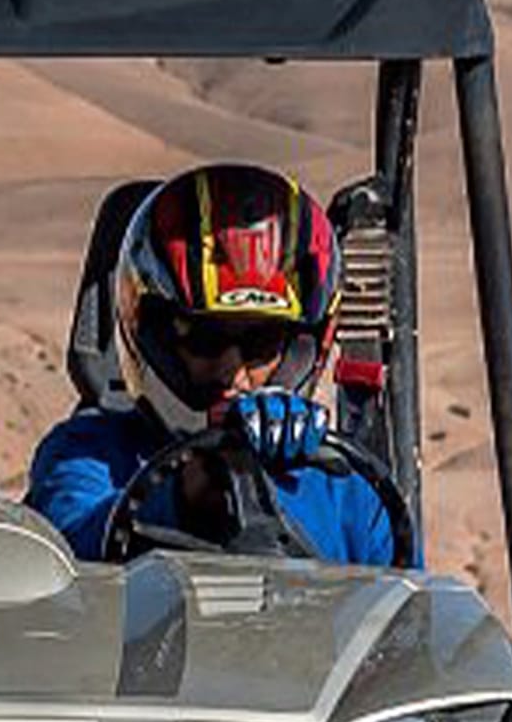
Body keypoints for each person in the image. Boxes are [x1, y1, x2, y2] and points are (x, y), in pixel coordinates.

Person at [27, 163, 396, 565]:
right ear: (153, 336)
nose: (232, 373)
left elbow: (412, 613)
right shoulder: (88, 452)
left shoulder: (349, 488)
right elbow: (62, 550)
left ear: (300, 348)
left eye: (261, 342)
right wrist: (184, 495)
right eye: (203, 338)